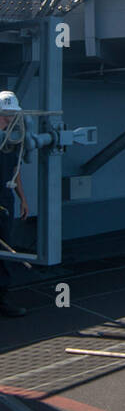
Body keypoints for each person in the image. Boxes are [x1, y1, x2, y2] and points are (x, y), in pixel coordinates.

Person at [0, 92, 29, 320]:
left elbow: (15, 171)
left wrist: (23, 199)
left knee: (5, 250)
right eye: (8, 115)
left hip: (5, 200)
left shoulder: (9, 142)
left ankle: (2, 298)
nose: (10, 119)